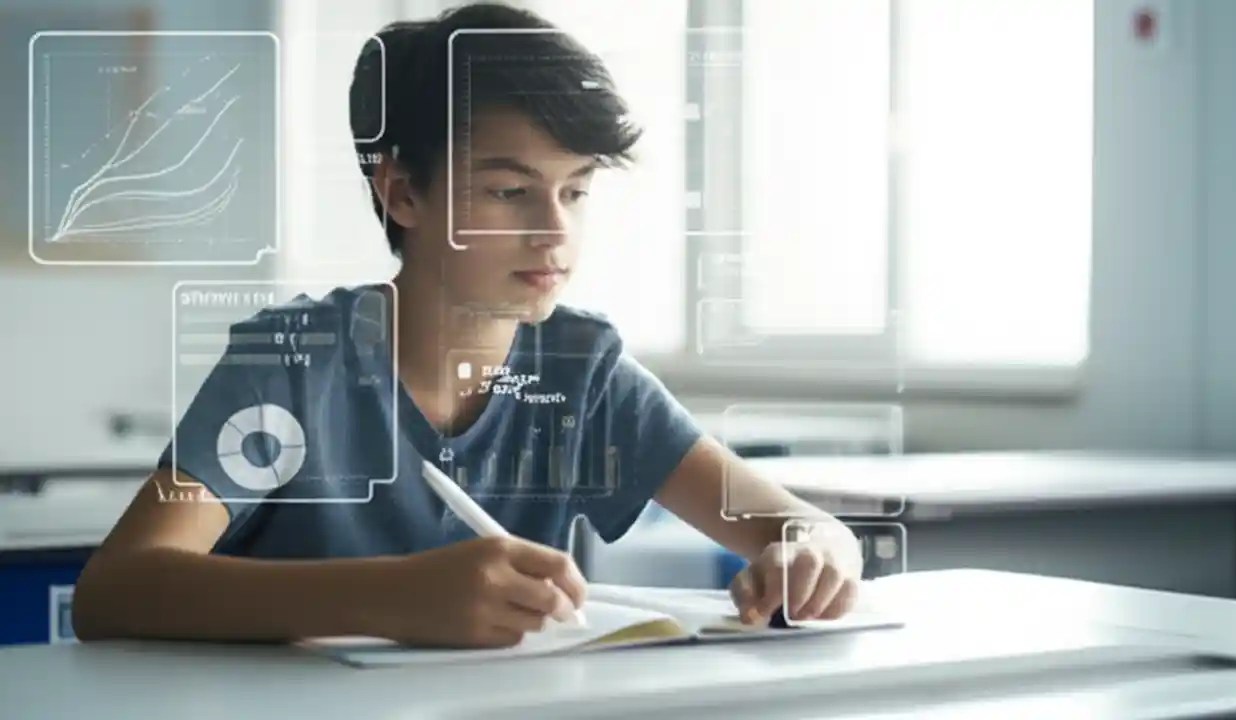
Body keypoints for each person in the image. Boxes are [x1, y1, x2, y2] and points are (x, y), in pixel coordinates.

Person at [73, 1, 864, 649]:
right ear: (403, 193)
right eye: (510, 192)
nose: (556, 231)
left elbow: (797, 526)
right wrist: (391, 599)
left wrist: (816, 552)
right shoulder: (292, 367)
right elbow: (117, 588)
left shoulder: (580, 374)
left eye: (576, 192)